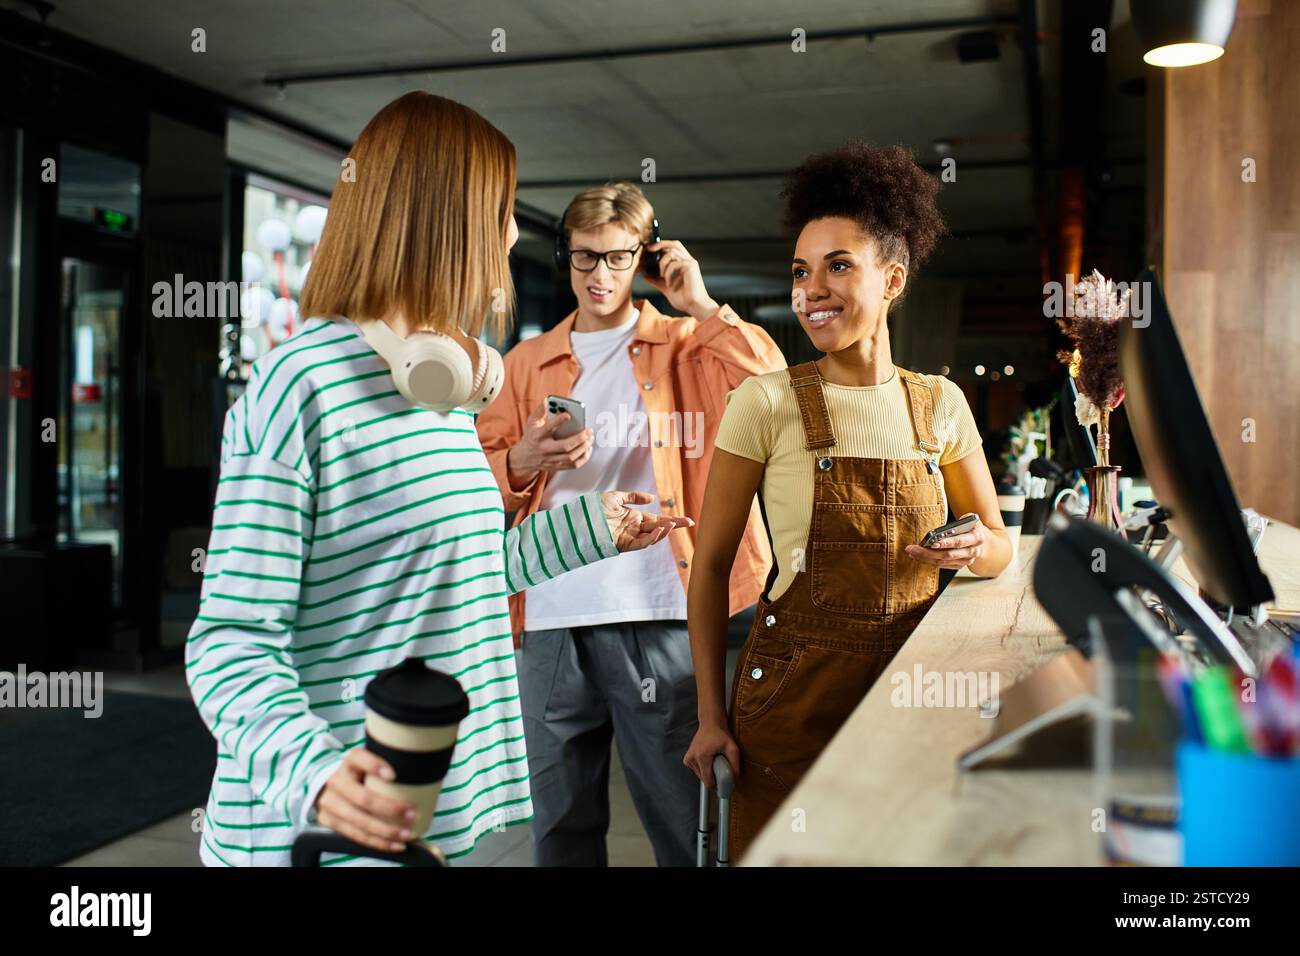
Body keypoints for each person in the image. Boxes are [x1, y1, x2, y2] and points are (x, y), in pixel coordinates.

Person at [185, 92, 691, 867]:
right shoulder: (301, 389)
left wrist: (592, 528)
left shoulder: (439, 390)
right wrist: (318, 776)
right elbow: (229, 642)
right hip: (314, 836)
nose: (514, 234)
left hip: (422, 823)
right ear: (442, 220)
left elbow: (464, 569)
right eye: (501, 210)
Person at [682, 144, 1013, 861]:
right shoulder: (765, 402)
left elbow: (996, 543)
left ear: (892, 279)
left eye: (838, 265)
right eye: (801, 271)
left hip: (917, 690)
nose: (811, 289)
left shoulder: (942, 405)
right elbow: (708, 569)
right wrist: (711, 716)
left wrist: (973, 549)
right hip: (792, 699)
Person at [476, 181, 785, 866]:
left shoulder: (686, 343)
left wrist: (701, 304)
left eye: (618, 258)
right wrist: (523, 460)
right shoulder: (524, 363)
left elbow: (774, 392)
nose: (599, 275)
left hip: (656, 606)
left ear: (645, 256)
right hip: (548, 615)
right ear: (566, 256)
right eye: (585, 258)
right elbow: (476, 484)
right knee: (558, 824)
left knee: (681, 814)